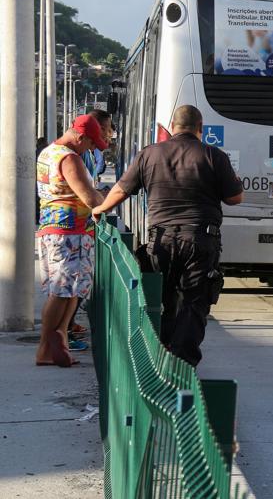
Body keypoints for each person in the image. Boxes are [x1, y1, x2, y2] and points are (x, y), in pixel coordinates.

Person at [92, 105, 243, 366]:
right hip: (200, 240)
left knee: (162, 300)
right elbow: (234, 198)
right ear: (201, 129)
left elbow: (121, 190)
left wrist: (100, 209)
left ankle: (159, 356)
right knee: (193, 303)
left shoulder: (149, 154)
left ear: (172, 127)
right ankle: (182, 364)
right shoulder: (213, 156)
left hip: (160, 240)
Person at [35, 116, 107, 367]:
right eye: (90, 143)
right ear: (79, 136)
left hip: (54, 229)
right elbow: (89, 198)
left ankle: (60, 340)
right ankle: (45, 347)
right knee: (61, 291)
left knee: (70, 291)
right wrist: (109, 201)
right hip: (69, 233)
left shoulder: (48, 153)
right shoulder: (70, 158)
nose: (90, 148)